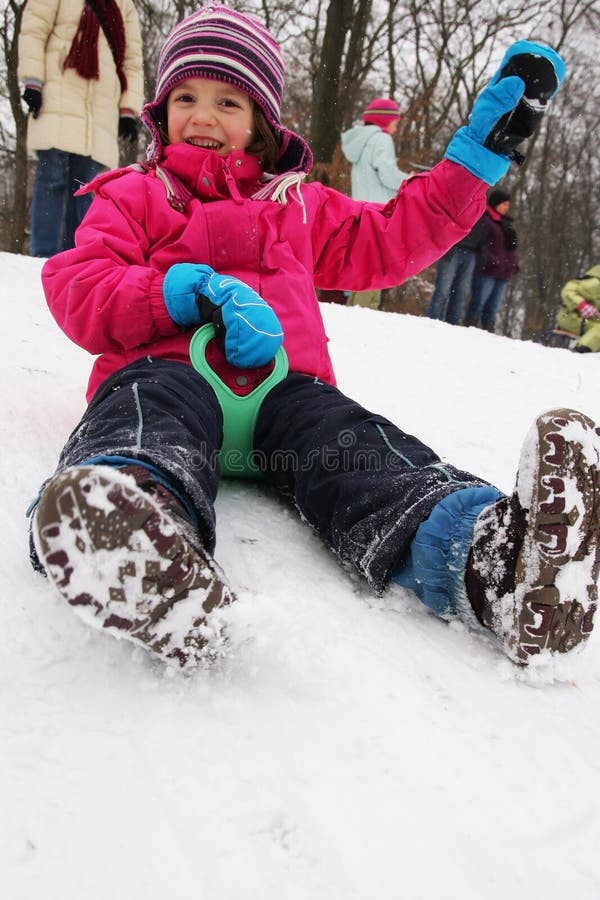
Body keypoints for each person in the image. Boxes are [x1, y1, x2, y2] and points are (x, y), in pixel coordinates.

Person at [28, 7, 599, 673]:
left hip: (286, 391)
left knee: (360, 455)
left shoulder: (300, 207)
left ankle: (493, 561)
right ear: (161, 112)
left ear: (264, 121)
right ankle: (132, 524)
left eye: (227, 100)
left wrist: (474, 160)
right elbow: (81, 286)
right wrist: (174, 291)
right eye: (185, 97)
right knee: (145, 414)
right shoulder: (134, 195)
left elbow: (392, 239)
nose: (203, 116)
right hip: (167, 370)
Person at [18, 0, 144, 258]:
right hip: (58, 93)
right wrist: (33, 81)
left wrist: (128, 109)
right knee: (51, 177)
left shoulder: (123, 5)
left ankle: (75, 259)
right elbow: (34, 29)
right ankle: (43, 257)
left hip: (100, 108)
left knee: (85, 189)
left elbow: (132, 60)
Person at [341, 97, 410, 309]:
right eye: (396, 122)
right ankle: (365, 311)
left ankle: (355, 308)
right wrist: (409, 181)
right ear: (384, 120)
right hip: (379, 211)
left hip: (361, 209)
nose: (397, 127)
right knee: (374, 266)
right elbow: (387, 173)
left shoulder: (361, 141)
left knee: (362, 263)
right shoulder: (381, 139)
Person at [463, 188, 519, 331]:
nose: (507, 207)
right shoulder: (486, 220)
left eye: (508, 204)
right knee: (478, 303)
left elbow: (510, 250)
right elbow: (482, 244)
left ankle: (488, 333)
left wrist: (513, 264)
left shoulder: (507, 224)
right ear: (496, 203)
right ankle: (470, 328)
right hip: (487, 270)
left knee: (493, 307)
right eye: (504, 204)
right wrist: (491, 260)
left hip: (503, 272)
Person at [426, 216, 486, 324]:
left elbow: (483, 231)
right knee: (442, 290)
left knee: (460, 293)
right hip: (452, 248)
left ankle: (453, 325)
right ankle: (433, 321)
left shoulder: (481, 208)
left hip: (472, 251)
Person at [556, 264, 600, 353]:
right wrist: (582, 305)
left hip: (587, 318)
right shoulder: (595, 284)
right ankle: (581, 350)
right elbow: (568, 290)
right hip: (569, 316)